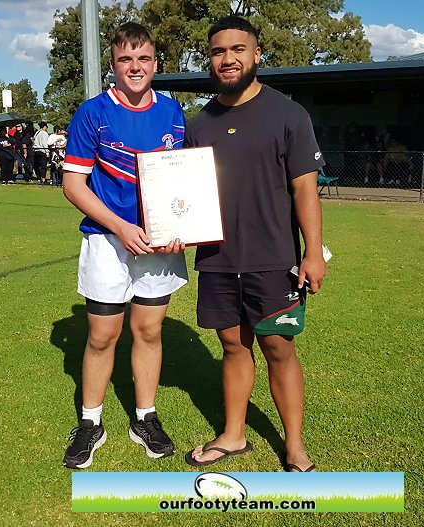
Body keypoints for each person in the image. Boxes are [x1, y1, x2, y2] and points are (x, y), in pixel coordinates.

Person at [184, 16, 326, 473]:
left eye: (237, 49)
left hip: (274, 259)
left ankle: (295, 446)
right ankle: (233, 435)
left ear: (257, 54)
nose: (228, 59)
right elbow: (184, 193)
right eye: (218, 52)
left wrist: (312, 252)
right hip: (218, 258)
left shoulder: (289, 115)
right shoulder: (200, 123)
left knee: (279, 347)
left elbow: (306, 188)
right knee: (232, 347)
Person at [61, 22, 188, 470]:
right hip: (107, 242)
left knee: (149, 331)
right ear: (113, 64)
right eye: (125, 59)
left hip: (160, 246)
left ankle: (144, 418)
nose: (135, 67)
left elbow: (181, 182)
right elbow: (73, 185)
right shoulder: (92, 112)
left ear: (155, 63)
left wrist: (181, 226)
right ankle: (91, 422)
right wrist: (119, 226)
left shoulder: (174, 111)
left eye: (144, 59)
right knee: (102, 335)